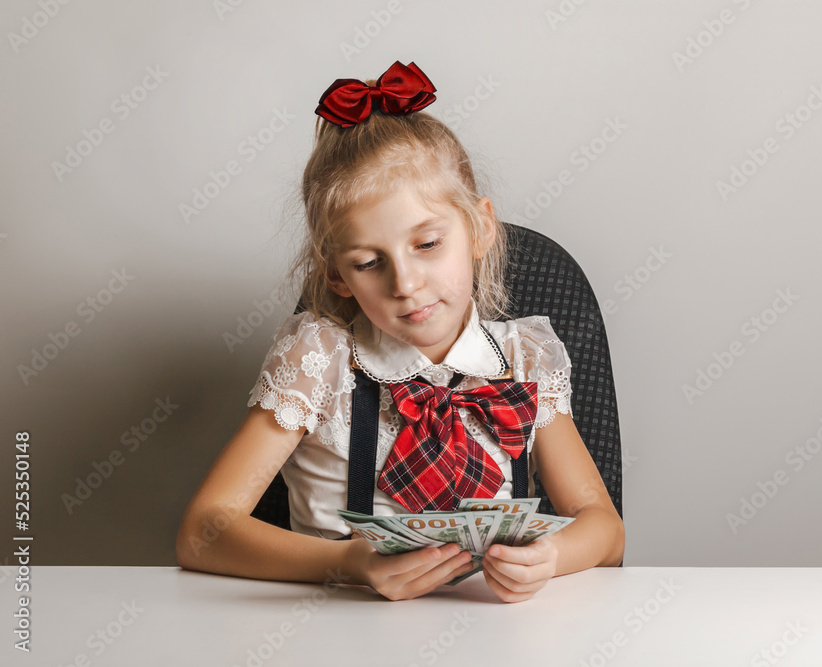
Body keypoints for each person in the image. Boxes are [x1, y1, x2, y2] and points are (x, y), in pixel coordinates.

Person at [176, 61, 624, 602]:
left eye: (428, 244)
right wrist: (346, 562)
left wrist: (550, 558)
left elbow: (605, 530)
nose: (406, 284)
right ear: (336, 275)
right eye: (369, 262)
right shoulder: (318, 359)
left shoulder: (525, 359)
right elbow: (202, 533)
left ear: (479, 229)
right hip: (338, 632)